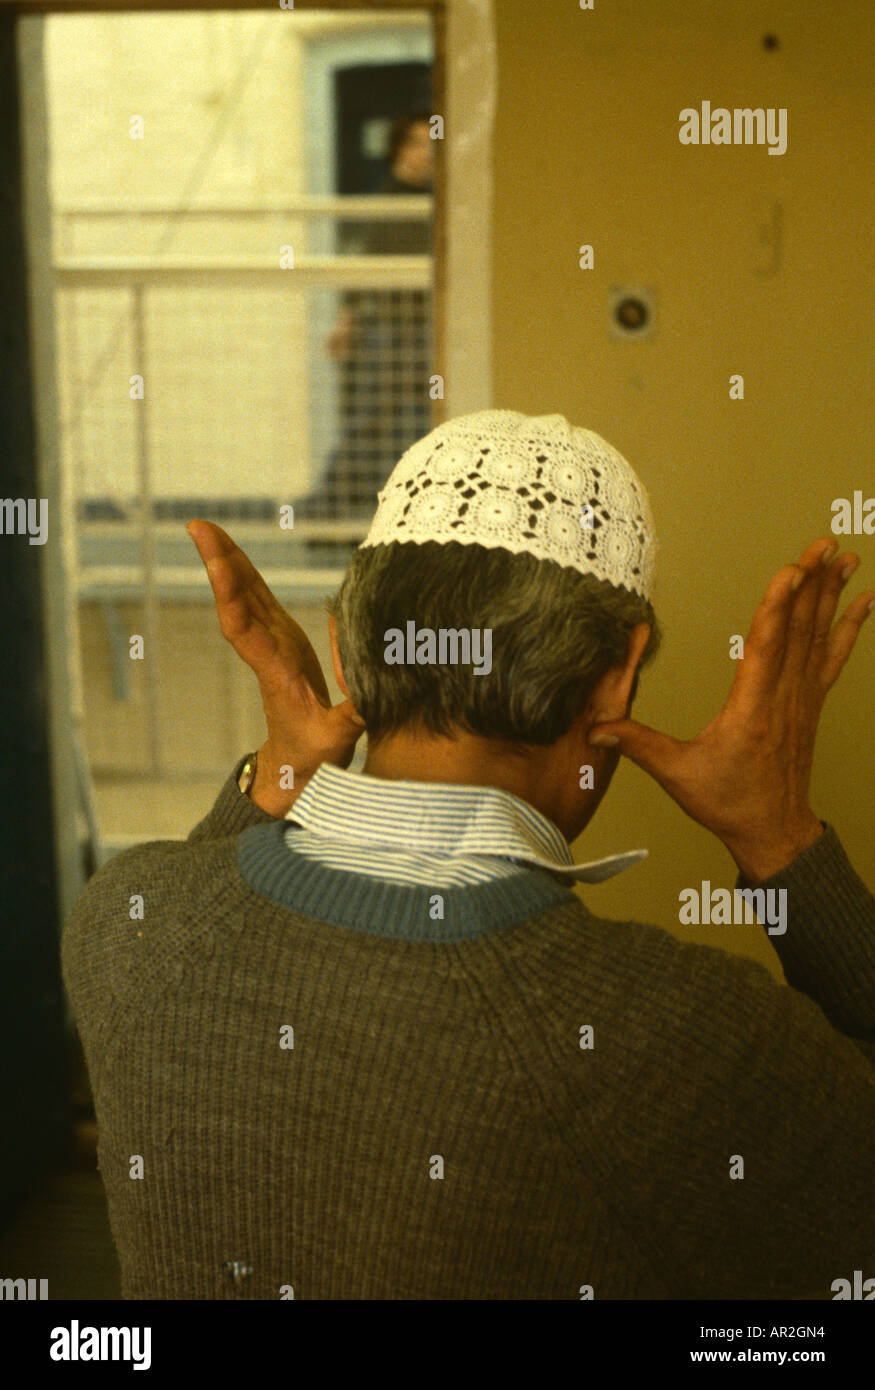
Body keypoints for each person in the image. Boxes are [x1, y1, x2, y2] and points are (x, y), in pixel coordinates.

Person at [62, 410, 875, 1300]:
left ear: (345, 646)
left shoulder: (122, 925)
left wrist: (281, 773)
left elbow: (205, 929)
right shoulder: (689, 1041)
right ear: (616, 677)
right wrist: (780, 841)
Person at [293, 111, 434, 523]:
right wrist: (345, 323)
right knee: (372, 419)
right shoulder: (385, 205)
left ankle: (413, 511)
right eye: (417, 143)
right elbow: (361, 271)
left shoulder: (438, 205)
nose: (426, 153)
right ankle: (326, 507)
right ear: (398, 150)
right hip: (391, 332)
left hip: (428, 331)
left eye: (432, 144)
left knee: (420, 422)